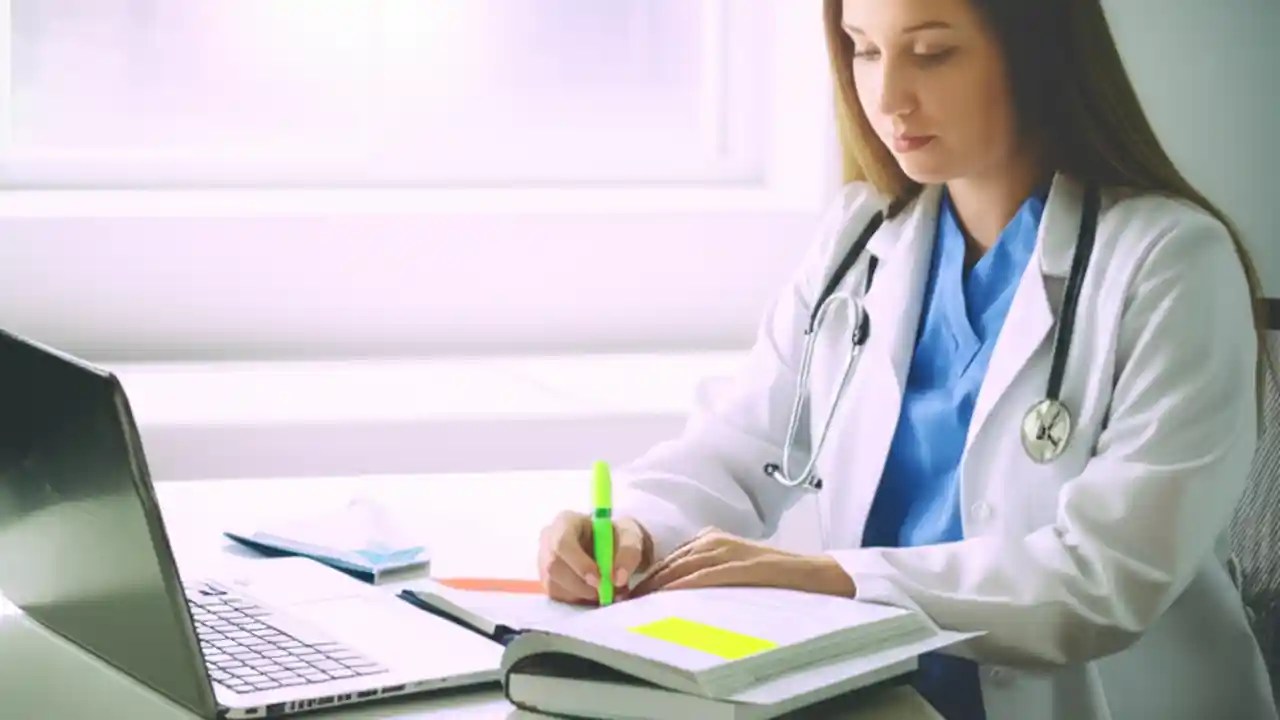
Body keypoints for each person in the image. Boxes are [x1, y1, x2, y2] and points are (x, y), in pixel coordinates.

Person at [536, 1, 1277, 718]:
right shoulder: (861, 239)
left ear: (1035, 51)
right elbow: (737, 445)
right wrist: (630, 531)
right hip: (880, 698)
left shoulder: (1170, 264)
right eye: (862, 47)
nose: (886, 95)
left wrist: (830, 580)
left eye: (931, 52)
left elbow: (1108, 577)